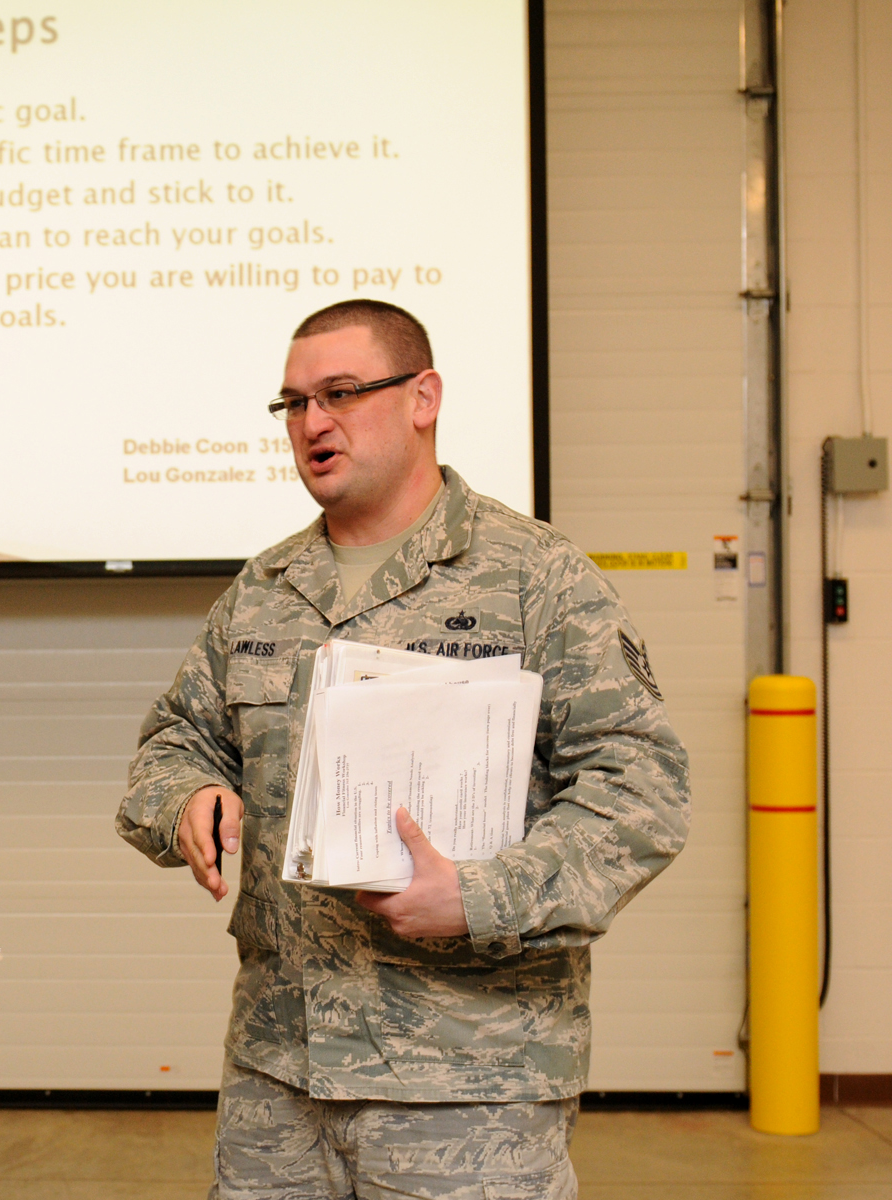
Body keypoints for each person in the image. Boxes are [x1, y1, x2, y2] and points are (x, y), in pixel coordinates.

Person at [117, 300, 691, 1199]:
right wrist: (184, 799)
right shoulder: (264, 590)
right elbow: (176, 740)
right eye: (294, 403)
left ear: (423, 396)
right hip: (279, 1080)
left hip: (468, 1089)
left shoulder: (536, 579)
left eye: (340, 393)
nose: (313, 423)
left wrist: (479, 895)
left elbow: (641, 791)